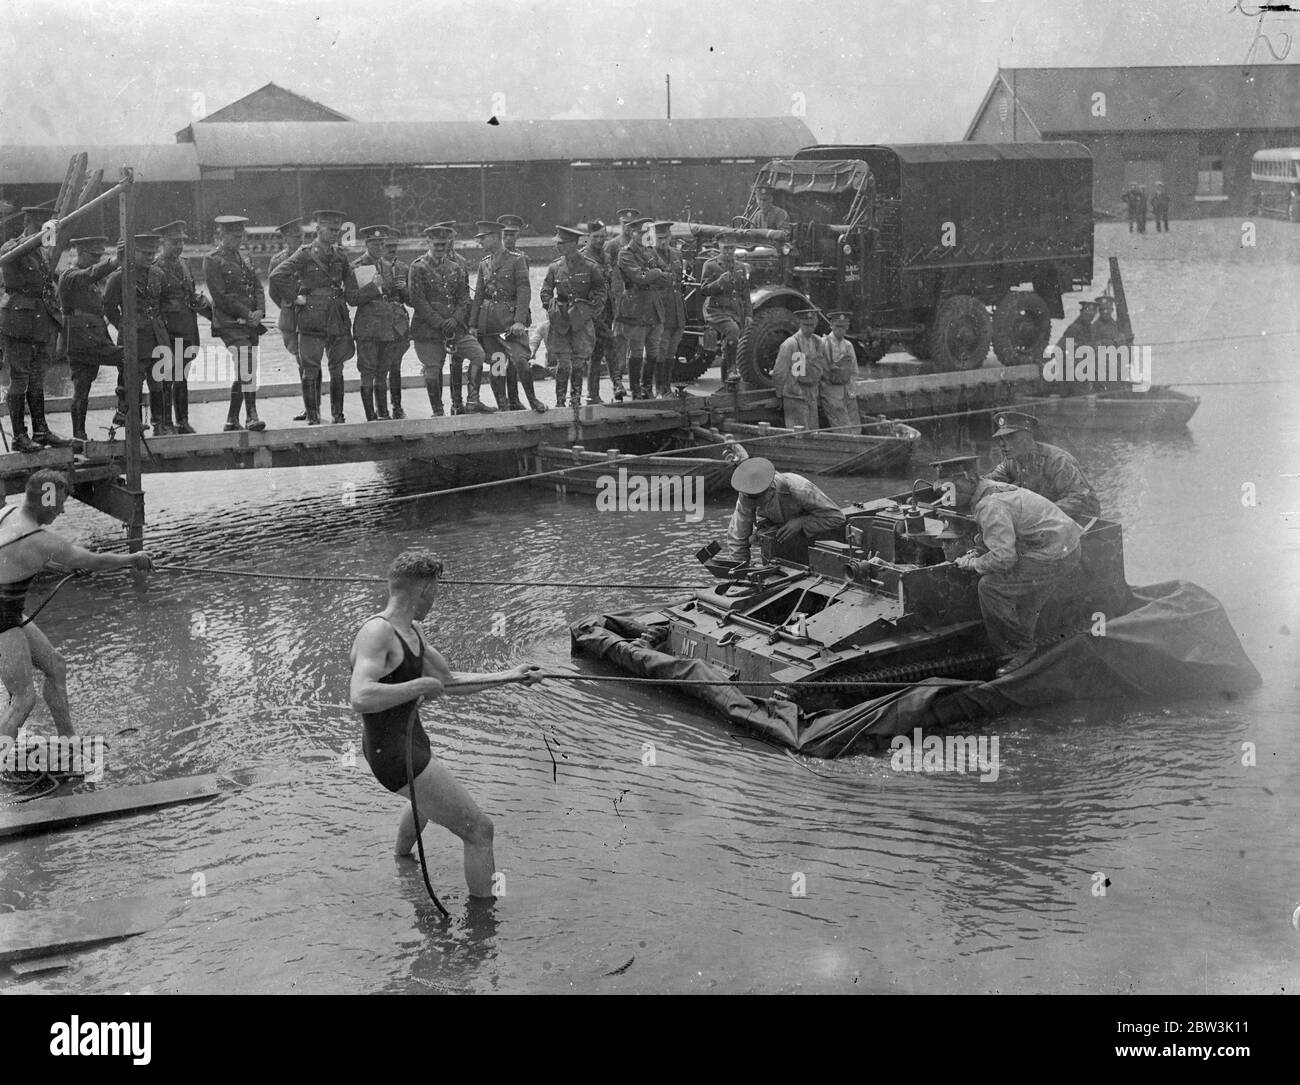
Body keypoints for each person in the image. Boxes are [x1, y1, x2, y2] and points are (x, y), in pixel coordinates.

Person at [348, 550, 541, 897]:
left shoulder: (414, 632)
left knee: (423, 801)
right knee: (480, 830)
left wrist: (510, 677)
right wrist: (420, 686)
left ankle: (402, 863)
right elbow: (360, 695)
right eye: (435, 590)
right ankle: (484, 931)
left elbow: (449, 682)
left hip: (411, 743)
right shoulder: (377, 633)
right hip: (392, 754)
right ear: (423, 590)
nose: (435, 599)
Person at [0, 469, 153, 746]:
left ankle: (69, 741)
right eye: (59, 504)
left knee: (56, 666)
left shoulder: (8, 513)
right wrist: (134, 558)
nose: (61, 511)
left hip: (9, 613)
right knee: (23, 699)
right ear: (45, 500)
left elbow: (16, 557)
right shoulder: (43, 540)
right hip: (2, 620)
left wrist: (63, 566)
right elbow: (95, 560)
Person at [946, 469, 1082, 676]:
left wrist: (973, 563)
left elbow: (1004, 559)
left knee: (990, 587)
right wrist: (979, 550)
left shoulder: (989, 505)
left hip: (1055, 554)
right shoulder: (989, 487)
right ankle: (1023, 635)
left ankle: (1017, 650)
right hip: (1059, 543)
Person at [269, 209, 356, 425]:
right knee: (310, 367)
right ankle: (313, 416)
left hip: (337, 316)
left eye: (337, 230)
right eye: (330, 229)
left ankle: (338, 414)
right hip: (311, 318)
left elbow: (352, 290)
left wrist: (374, 287)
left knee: (337, 367)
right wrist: (295, 298)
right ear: (318, 229)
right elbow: (277, 275)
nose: (335, 233)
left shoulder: (340, 256)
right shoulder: (306, 253)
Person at [1, 206, 69, 452]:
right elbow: (11, 254)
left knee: (37, 377)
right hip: (18, 319)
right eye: (41, 225)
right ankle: (20, 436)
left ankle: (41, 431)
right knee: (19, 378)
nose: (46, 231)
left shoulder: (41, 253)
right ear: (28, 221)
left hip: (40, 320)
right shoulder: (12, 246)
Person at [409, 225, 490, 415]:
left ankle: (472, 401)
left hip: (455, 328)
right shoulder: (418, 267)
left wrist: (455, 319)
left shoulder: (455, 267)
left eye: (443, 244)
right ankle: (438, 411)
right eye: (436, 244)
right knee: (433, 368)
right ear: (428, 243)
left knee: (478, 354)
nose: (440, 248)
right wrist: (439, 322)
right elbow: (417, 300)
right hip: (428, 329)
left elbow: (463, 298)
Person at [471, 219, 544, 412]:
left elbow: (524, 291)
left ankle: (532, 400)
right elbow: (479, 295)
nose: (480, 243)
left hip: (511, 322)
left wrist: (520, 320)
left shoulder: (516, 260)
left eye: (483, 238)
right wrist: (473, 324)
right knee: (497, 364)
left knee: (520, 360)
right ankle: (503, 405)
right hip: (490, 324)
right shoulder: (484, 264)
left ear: (495, 238)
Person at [201, 216, 267, 431]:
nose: (238, 240)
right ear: (221, 235)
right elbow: (220, 296)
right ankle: (251, 416)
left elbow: (257, 286)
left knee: (247, 366)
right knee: (246, 360)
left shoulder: (244, 257)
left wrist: (259, 311)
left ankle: (231, 419)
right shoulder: (212, 260)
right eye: (233, 236)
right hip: (228, 322)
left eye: (240, 236)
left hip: (249, 322)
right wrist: (248, 312)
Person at [105, 233, 173, 435]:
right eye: (144, 253)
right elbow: (109, 308)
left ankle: (159, 424)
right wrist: (126, 328)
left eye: (152, 252)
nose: (149, 256)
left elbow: (162, 303)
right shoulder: (119, 277)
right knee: (133, 382)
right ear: (133, 252)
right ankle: (133, 423)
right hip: (133, 339)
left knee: (158, 382)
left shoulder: (158, 274)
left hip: (157, 337)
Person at [722, 456, 846, 563]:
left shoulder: (800, 489)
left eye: (759, 500)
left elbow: (837, 517)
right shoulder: (747, 494)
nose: (756, 504)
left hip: (813, 543)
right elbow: (737, 538)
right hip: (779, 547)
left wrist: (802, 522)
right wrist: (739, 572)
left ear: (771, 491)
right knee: (758, 536)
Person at [58, 236, 121, 446]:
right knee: (127, 358)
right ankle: (124, 409)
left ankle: (79, 435)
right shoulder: (70, 276)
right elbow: (90, 273)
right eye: (92, 256)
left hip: (88, 339)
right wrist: (113, 262)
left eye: (98, 257)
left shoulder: (88, 281)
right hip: (82, 340)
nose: (95, 260)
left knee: (82, 386)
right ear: (80, 253)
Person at [984, 410, 1100, 521]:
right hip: (1046, 521)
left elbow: (1080, 499)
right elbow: (990, 481)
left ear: (1026, 438)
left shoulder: (1057, 461)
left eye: (1010, 438)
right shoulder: (1011, 461)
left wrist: (1038, 513)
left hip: (1082, 522)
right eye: (1000, 439)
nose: (1002, 445)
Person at [152, 220, 210, 434]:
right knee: (166, 377)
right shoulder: (155, 268)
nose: (178, 247)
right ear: (162, 242)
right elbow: (154, 304)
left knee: (182, 376)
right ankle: (164, 423)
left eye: (181, 242)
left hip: (186, 328)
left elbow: (191, 294)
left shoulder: (185, 264)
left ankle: (182, 421)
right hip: (167, 331)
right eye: (174, 242)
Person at [540, 225, 606, 408]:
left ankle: (575, 400)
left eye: (562, 243)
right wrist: (553, 309)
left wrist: (590, 311)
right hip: (560, 321)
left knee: (578, 361)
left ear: (573, 244)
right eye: (558, 243)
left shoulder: (591, 267)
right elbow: (545, 292)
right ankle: (560, 402)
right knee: (563, 362)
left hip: (581, 320)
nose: (558, 246)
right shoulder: (555, 267)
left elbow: (601, 292)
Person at [347, 225, 407, 421]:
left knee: (383, 371)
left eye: (382, 243)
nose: (380, 246)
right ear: (367, 244)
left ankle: (384, 412)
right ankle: (370, 415)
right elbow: (352, 298)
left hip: (386, 328)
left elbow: (391, 295)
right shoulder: (357, 266)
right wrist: (374, 287)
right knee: (368, 371)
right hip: (368, 328)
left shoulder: (388, 266)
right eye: (375, 243)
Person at [614, 217, 666, 401]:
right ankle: (635, 390)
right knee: (636, 350)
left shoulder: (650, 251)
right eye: (639, 232)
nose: (643, 236)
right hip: (635, 307)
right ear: (631, 233)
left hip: (653, 305)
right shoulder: (625, 254)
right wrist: (657, 273)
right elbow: (639, 276)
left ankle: (646, 388)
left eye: (646, 233)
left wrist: (657, 274)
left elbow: (668, 274)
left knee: (653, 350)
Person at [698, 232, 753, 383]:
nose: (729, 251)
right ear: (719, 247)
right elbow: (704, 290)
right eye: (725, 248)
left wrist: (748, 314)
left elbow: (745, 294)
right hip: (715, 311)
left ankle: (728, 383)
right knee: (732, 330)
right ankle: (731, 369)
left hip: (734, 312)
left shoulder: (741, 267)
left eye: (732, 248)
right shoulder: (710, 265)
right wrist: (720, 283)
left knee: (729, 342)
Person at [268, 218, 308, 420]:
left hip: (310, 315)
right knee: (301, 361)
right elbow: (274, 292)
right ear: (285, 239)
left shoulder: (310, 256)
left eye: (301, 236)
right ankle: (310, 407)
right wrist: (288, 305)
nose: (300, 240)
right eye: (295, 237)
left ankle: (312, 407)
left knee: (309, 361)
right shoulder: (277, 261)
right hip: (290, 318)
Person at [602, 208, 640, 398]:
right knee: (619, 339)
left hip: (638, 299)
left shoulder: (640, 245)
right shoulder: (612, 245)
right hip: (619, 299)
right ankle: (618, 380)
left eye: (632, 225)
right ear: (620, 224)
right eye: (625, 224)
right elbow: (606, 271)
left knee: (637, 340)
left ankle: (634, 383)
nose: (627, 228)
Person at [770, 308, 829, 428]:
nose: (809, 328)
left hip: (811, 395)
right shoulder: (790, 344)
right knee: (798, 433)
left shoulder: (818, 342)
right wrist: (780, 395)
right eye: (806, 325)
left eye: (812, 325)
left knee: (813, 431)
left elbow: (822, 367)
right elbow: (779, 372)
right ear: (800, 324)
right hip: (795, 396)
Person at [651, 221, 687, 398]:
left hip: (676, 309)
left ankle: (667, 386)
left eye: (665, 238)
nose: (662, 242)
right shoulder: (648, 256)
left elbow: (679, 282)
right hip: (659, 309)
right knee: (661, 348)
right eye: (659, 238)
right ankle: (659, 388)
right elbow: (642, 278)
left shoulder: (677, 254)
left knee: (672, 349)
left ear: (670, 237)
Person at [582, 219, 613, 405]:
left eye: (602, 236)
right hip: (592, 312)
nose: (599, 240)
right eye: (595, 237)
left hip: (607, 309)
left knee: (598, 353)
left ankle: (593, 394)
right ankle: (591, 393)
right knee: (592, 352)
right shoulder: (584, 257)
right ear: (588, 237)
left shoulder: (606, 256)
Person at [383, 228, 412, 418]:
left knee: (395, 366)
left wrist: (407, 290)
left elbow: (411, 301)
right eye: (388, 246)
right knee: (378, 367)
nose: (392, 249)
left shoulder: (403, 268)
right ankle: (381, 408)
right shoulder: (373, 266)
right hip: (379, 321)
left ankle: (397, 406)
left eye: (394, 246)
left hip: (399, 323)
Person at [820, 309, 860, 429]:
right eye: (838, 326)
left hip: (847, 390)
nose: (841, 330)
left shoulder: (848, 345)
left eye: (844, 327)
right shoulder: (823, 343)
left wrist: (851, 386)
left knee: (855, 423)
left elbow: (854, 370)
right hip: (831, 391)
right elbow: (820, 370)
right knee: (842, 426)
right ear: (831, 325)